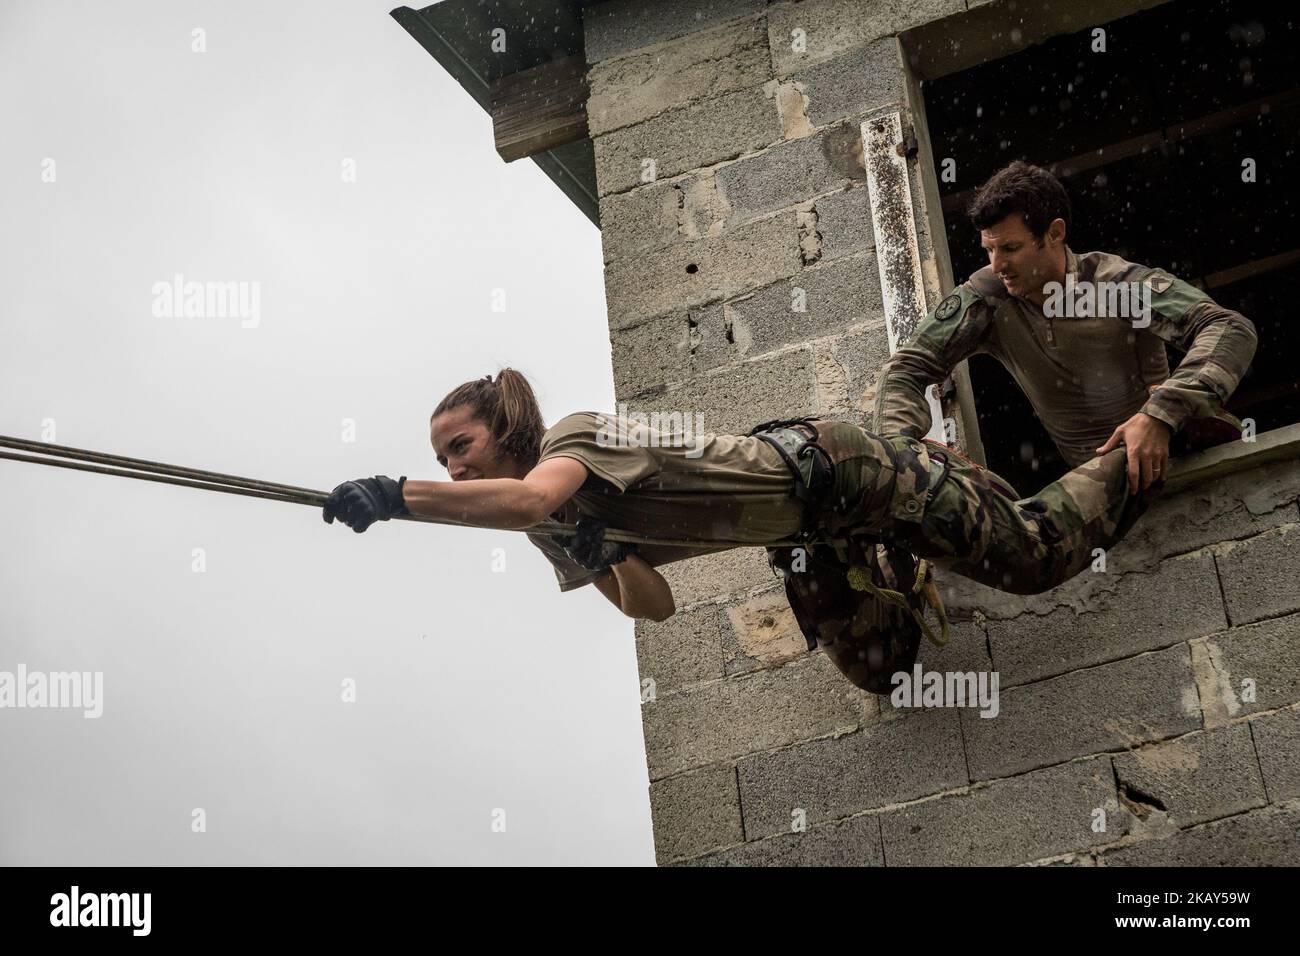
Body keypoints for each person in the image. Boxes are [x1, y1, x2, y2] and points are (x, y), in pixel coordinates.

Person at [320, 366, 1183, 618]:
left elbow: (523, 502)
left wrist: (397, 497)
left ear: (503, 428)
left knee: (1033, 557)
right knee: (879, 669)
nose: (455, 467)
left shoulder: (574, 439)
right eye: (440, 457)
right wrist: (611, 557)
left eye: (459, 448)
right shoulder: (553, 523)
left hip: (839, 469)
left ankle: (1153, 427)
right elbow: (651, 609)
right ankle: (912, 546)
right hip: (817, 526)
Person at [874, 160, 1258, 496]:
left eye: (1009, 248)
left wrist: (1161, 413)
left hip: (1180, 464)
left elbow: (1228, 327)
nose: (997, 264)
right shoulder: (988, 297)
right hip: (1095, 491)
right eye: (988, 250)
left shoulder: (1113, 283)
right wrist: (897, 457)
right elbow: (907, 367)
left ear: (1054, 233)